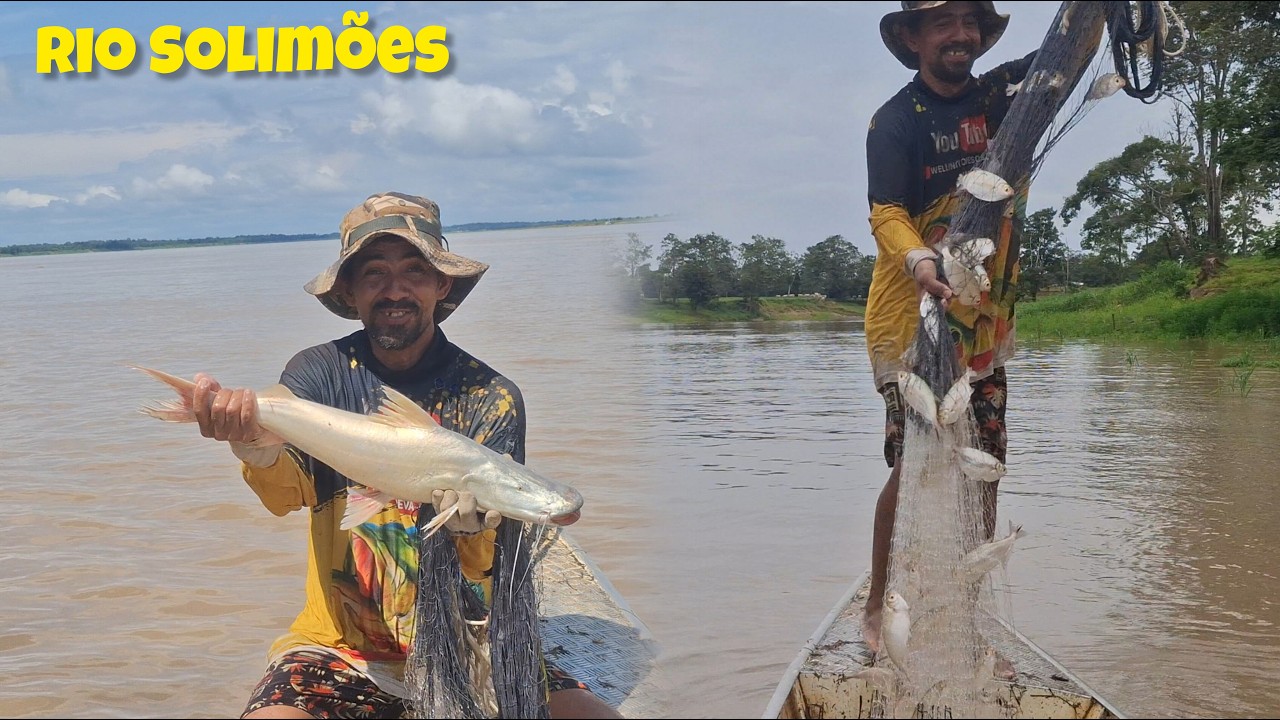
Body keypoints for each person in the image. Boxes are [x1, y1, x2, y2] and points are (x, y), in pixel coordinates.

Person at [189, 192, 623, 719]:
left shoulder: (491, 395)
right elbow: (288, 497)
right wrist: (251, 446)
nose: (395, 290)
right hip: (341, 644)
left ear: (441, 284)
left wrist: (473, 532)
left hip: (472, 638)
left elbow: (489, 562)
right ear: (350, 289)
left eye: (415, 271)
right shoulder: (319, 373)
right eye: (374, 273)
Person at [860, 1, 1036, 677]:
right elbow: (886, 214)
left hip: (985, 321)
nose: (960, 35)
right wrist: (922, 260)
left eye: (970, 21)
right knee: (916, 471)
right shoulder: (895, 122)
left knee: (983, 471)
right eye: (942, 23)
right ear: (912, 37)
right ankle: (879, 606)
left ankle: (964, 618)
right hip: (911, 322)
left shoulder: (1006, 97)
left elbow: (1068, 64)